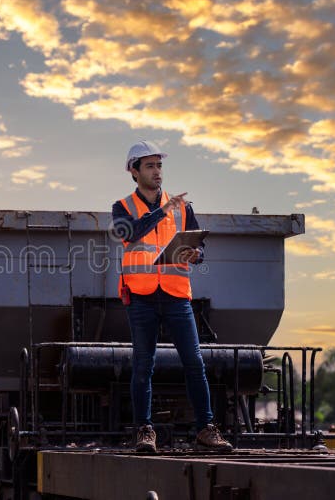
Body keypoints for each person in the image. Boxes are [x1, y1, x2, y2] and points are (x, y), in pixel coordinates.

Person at [111, 140, 233, 453]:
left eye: (159, 165)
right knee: (143, 366)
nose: (157, 171)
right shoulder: (122, 208)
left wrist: (196, 254)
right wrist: (160, 211)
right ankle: (144, 431)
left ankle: (206, 429)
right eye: (150, 166)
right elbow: (132, 234)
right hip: (141, 297)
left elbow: (198, 245)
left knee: (194, 362)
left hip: (177, 296)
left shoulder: (183, 209)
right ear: (134, 172)